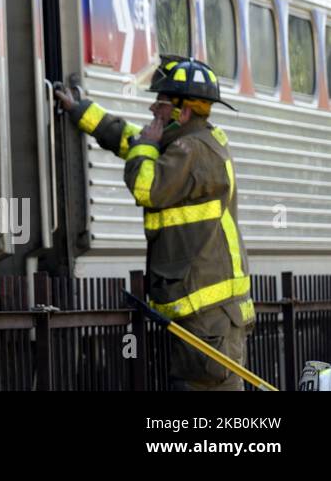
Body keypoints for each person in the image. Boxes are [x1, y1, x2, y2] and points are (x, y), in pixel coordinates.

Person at [56, 57, 254, 390]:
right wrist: (81, 111)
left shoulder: (191, 151)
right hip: (206, 313)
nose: (152, 108)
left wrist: (146, 145)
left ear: (183, 112)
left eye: (160, 103)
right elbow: (132, 140)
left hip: (206, 316)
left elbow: (147, 187)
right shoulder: (193, 141)